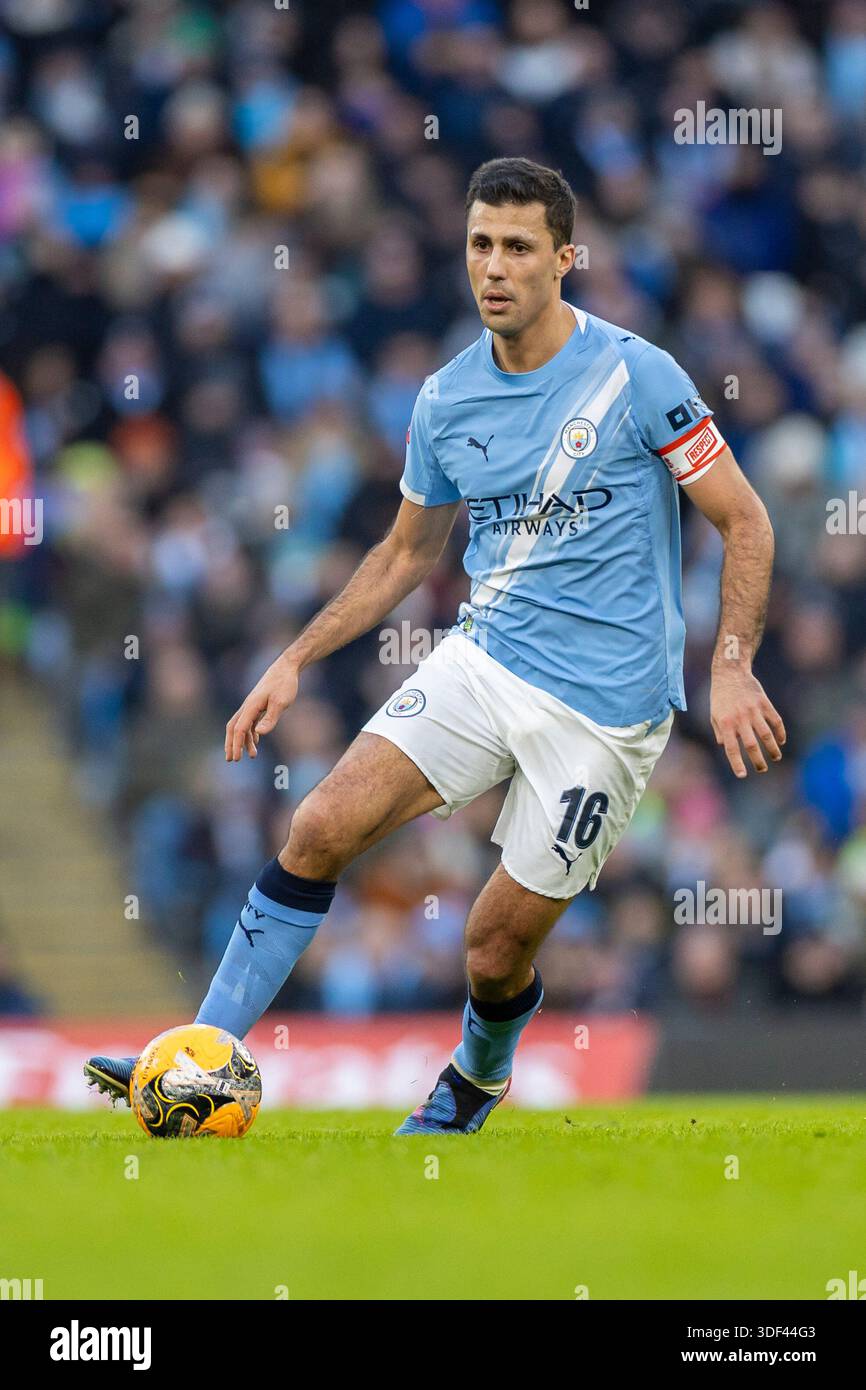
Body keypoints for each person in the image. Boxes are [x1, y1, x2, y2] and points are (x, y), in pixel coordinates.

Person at [86, 157, 785, 1134]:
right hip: (484, 659)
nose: (492, 267)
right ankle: (200, 1055)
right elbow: (404, 553)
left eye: (516, 248)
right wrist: (293, 657)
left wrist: (731, 664)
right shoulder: (447, 397)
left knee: (492, 947)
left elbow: (744, 521)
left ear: (564, 260)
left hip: (605, 713)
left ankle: (475, 1076)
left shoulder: (639, 375)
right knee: (318, 826)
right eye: (479, 245)